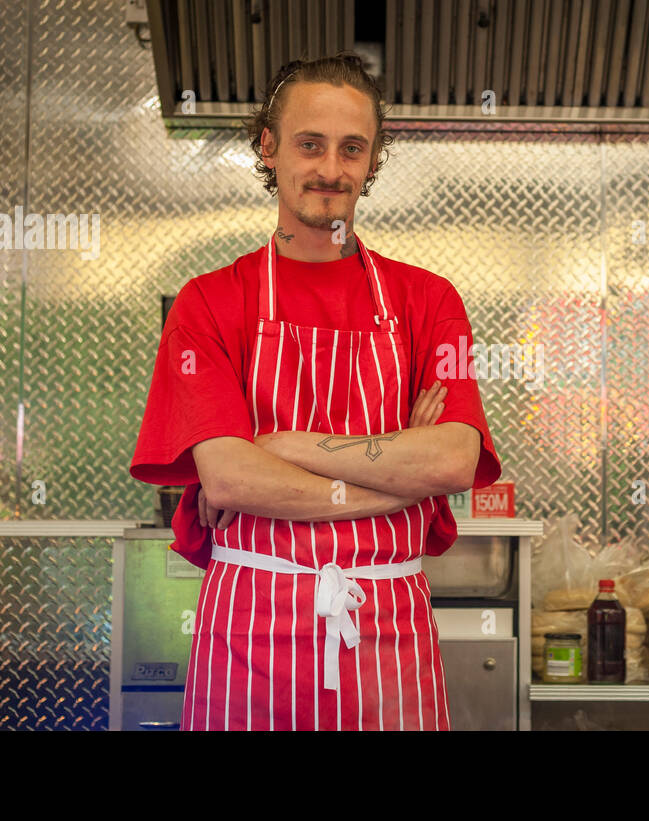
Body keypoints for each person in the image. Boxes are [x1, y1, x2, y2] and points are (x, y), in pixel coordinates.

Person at [129, 52, 501, 731]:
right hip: (248, 632)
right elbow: (232, 479)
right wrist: (397, 477)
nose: (331, 169)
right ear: (268, 148)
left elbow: (451, 461)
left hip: (388, 635)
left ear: (373, 160)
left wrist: (284, 447)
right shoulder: (209, 302)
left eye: (352, 148)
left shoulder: (429, 301)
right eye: (310, 144)